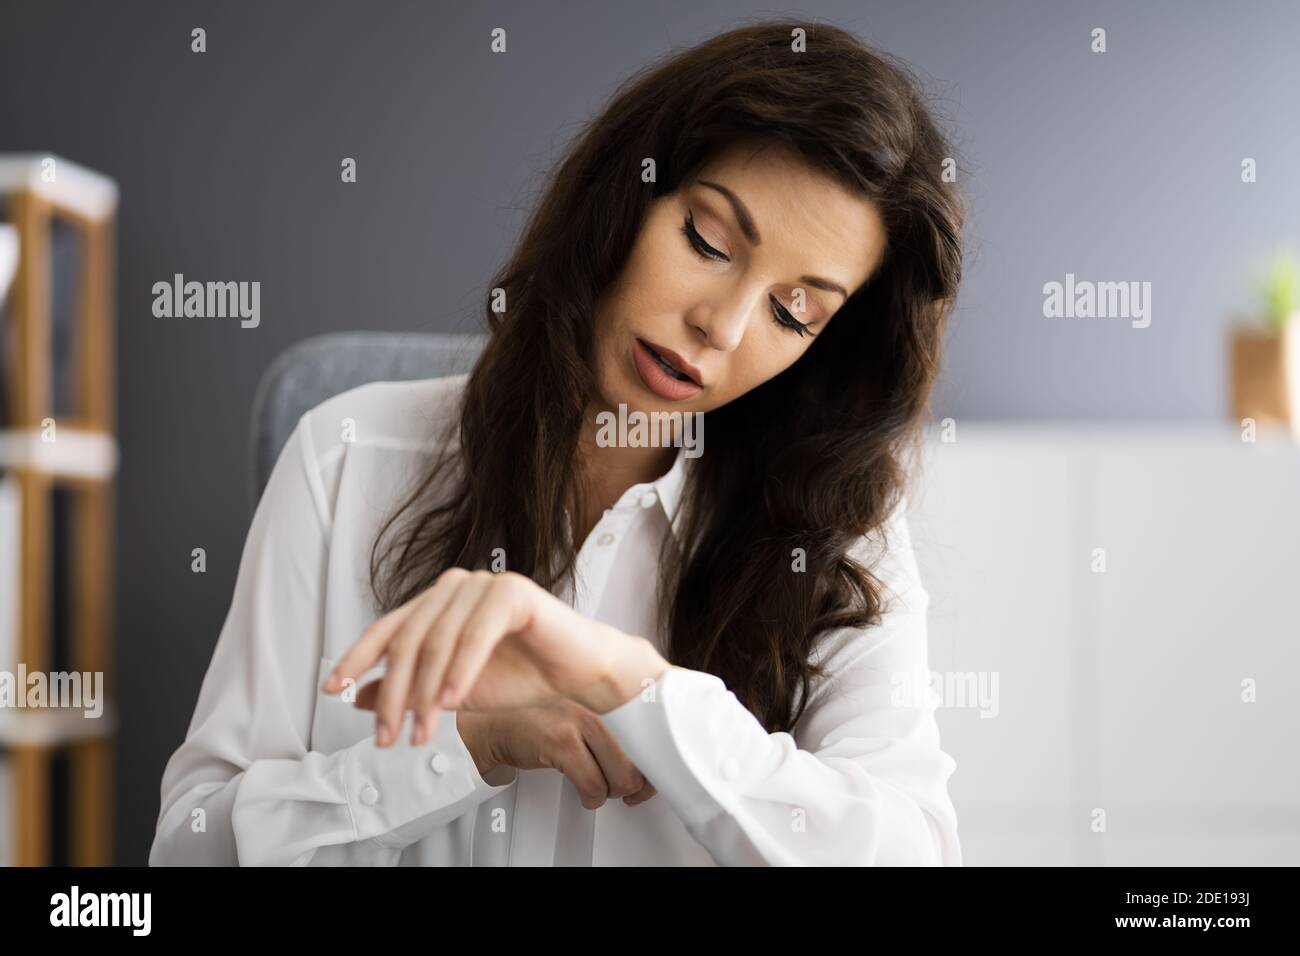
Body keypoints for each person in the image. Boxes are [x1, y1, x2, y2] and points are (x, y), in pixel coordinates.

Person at [150, 18, 966, 867]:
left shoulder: (841, 532)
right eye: (708, 241)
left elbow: (910, 852)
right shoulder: (347, 457)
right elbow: (187, 850)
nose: (720, 327)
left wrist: (635, 687)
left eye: (794, 312)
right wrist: (466, 747)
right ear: (624, 196)